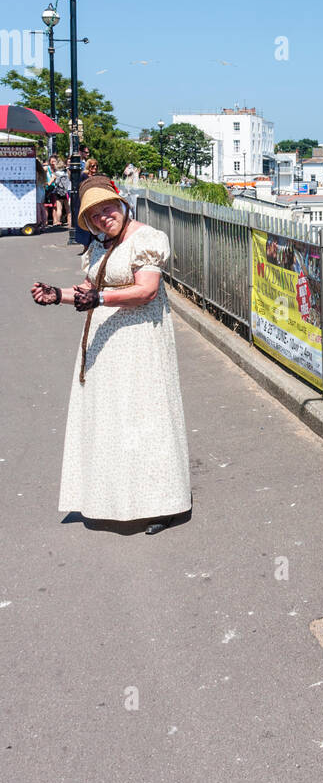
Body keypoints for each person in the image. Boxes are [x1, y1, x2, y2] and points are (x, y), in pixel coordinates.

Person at [30, 175, 191, 534]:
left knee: (144, 416)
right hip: (107, 345)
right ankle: (119, 496)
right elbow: (88, 288)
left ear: (121, 204)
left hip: (139, 342)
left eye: (108, 208)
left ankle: (163, 502)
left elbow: (147, 290)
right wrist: (57, 294)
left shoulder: (147, 239)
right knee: (113, 417)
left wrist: (100, 298)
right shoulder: (102, 246)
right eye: (95, 215)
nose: (104, 217)